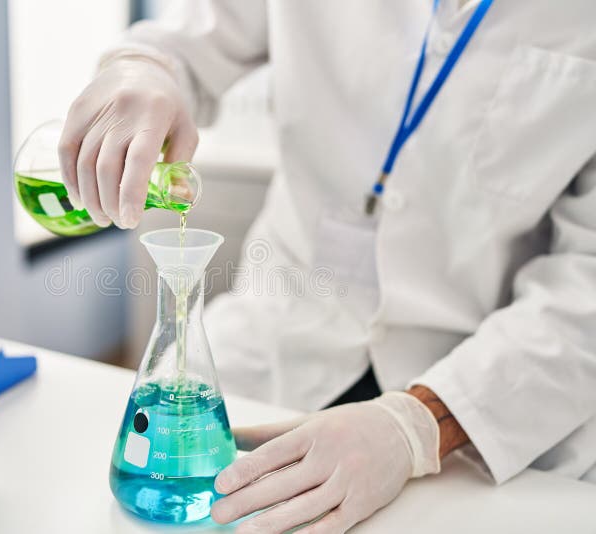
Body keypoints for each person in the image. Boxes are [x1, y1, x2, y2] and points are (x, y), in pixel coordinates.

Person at [59, 1, 596, 532]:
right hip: (277, 337)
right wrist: (143, 68)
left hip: (485, 390)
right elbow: (188, 39)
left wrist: (416, 427)